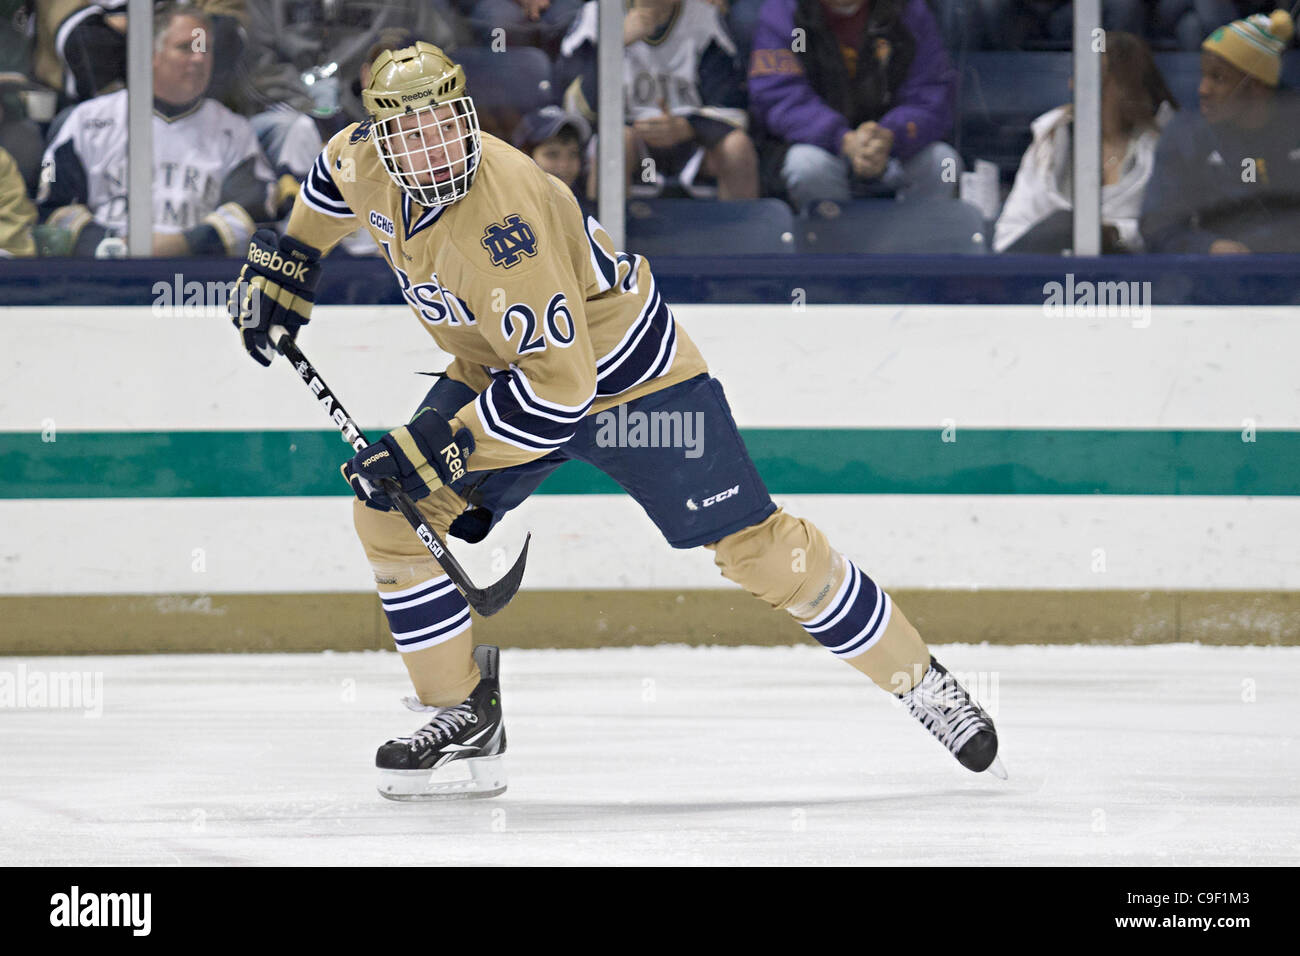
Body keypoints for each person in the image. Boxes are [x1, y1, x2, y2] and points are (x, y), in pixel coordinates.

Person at [227, 41, 1002, 800]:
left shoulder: (504, 228)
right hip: (508, 370)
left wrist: (438, 444)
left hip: (635, 384)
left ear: (467, 116)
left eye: (446, 122)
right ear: (384, 139)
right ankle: (460, 711)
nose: (435, 145)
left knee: (760, 554)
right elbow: (331, 187)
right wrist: (293, 263)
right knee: (393, 519)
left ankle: (922, 683)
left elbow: (560, 396)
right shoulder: (361, 157)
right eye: (413, 131)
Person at [36, 3, 274, 256]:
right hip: (102, 273)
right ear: (150, 55)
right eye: (186, 47)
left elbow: (251, 212)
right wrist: (106, 244)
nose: (199, 58)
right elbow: (54, 206)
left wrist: (186, 244)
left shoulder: (234, 131)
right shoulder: (88, 120)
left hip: (195, 281)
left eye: (205, 49)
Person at [747, 0, 960, 208]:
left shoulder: (906, 10)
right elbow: (779, 95)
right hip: (820, 144)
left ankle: (920, 241)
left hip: (893, 146)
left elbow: (931, 91)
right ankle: (832, 240)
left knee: (944, 163)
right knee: (806, 166)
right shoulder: (788, 12)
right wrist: (842, 139)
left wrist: (891, 134)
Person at [995, 32, 1177, 254]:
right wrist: (1064, 232)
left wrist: (1111, 236)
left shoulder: (1166, 146)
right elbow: (1009, 235)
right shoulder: (1050, 140)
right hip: (1051, 282)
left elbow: (1172, 234)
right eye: (1076, 76)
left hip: (1137, 282)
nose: (1073, 85)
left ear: (1124, 86)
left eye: (1090, 78)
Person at [559, 0, 758, 200]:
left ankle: (742, 230)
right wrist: (615, 45)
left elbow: (733, 110)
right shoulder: (597, 15)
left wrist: (689, 127)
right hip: (629, 137)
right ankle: (601, 231)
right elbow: (574, 108)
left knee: (737, 147)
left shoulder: (704, 18)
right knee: (617, 142)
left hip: (693, 139)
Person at [1140, 8, 1300, 254]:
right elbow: (1157, 223)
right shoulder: (1186, 133)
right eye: (1203, 75)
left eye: (1218, 78)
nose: (1203, 89)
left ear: (1257, 88)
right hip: (1213, 280)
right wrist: (1208, 247)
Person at [511, 104, 590, 196]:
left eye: (573, 154)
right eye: (552, 154)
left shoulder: (581, 209)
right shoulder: (504, 206)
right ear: (525, 156)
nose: (564, 165)